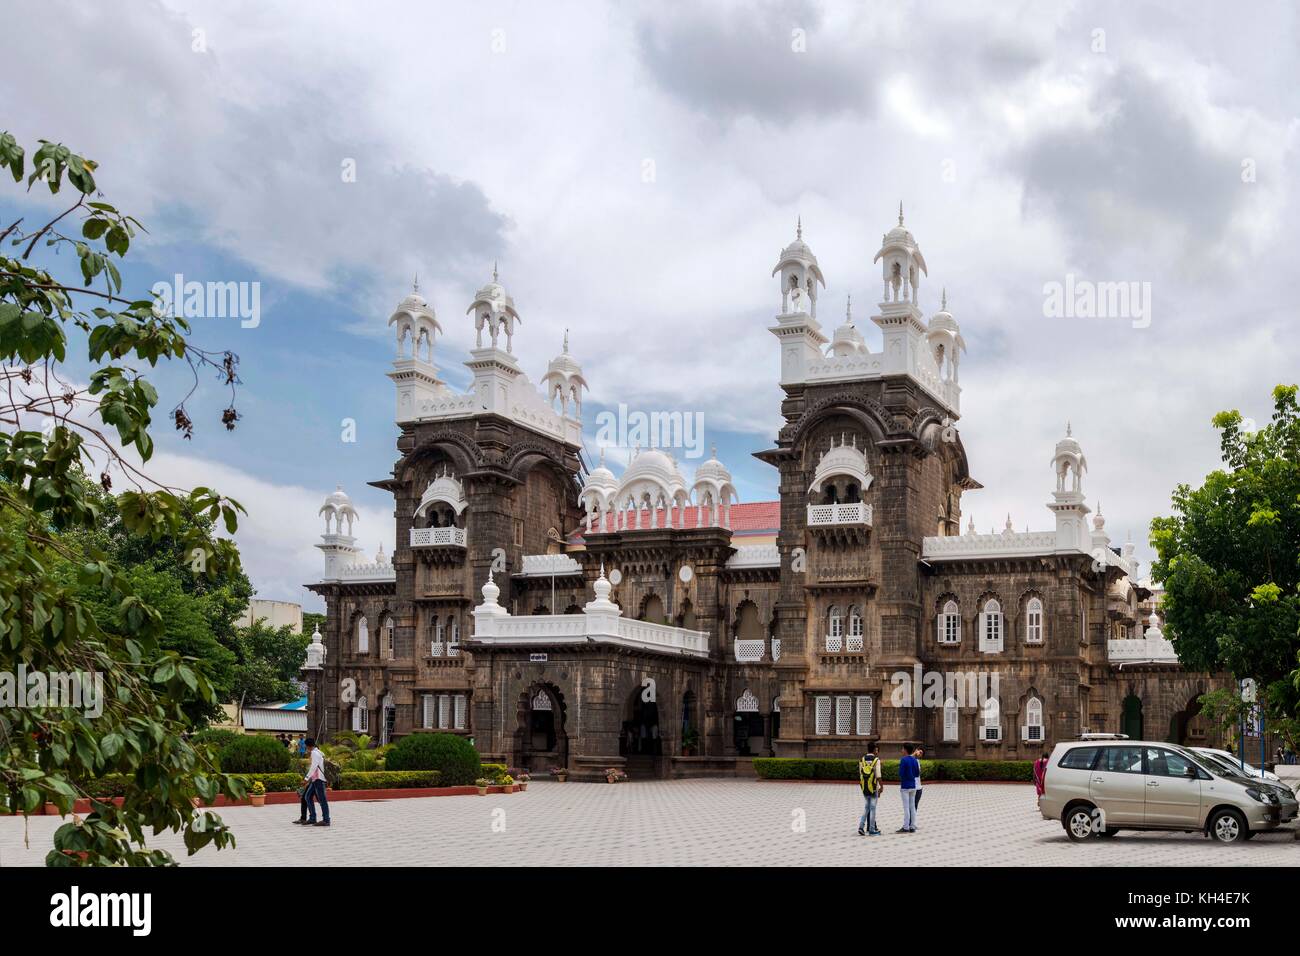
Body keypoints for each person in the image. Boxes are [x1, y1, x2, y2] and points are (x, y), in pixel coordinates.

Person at [303, 737, 330, 827]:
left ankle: (326, 820)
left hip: (319, 779)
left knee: (322, 800)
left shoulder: (314, 753)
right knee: (308, 796)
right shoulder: (318, 752)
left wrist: (306, 778)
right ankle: (312, 818)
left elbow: (314, 767)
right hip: (315, 779)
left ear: (307, 746)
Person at [857, 742, 883, 836]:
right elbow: (878, 775)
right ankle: (872, 829)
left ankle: (861, 827)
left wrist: (863, 786)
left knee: (866, 808)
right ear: (874, 749)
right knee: (873, 808)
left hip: (864, 787)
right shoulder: (876, 760)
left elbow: (860, 774)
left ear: (867, 749)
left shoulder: (862, 759)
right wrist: (881, 787)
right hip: (873, 788)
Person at [897, 743, 920, 833]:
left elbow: (901, 773)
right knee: (912, 807)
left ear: (906, 750)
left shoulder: (903, 760)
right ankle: (912, 826)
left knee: (906, 807)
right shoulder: (914, 760)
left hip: (905, 785)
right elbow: (917, 774)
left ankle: (906, 826)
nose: (902, 750)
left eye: (902, 749)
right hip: (913, 785)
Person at [913, 747, 924, 823]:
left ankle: (912, 823)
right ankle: (910, 823)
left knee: (914, 806)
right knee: (910, 807)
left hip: (918, 787)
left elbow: (918, 773)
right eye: (918, 752)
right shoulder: (911, 760)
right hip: (912, 787)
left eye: (921, 753)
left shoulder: (917, 761)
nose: (919, 754)